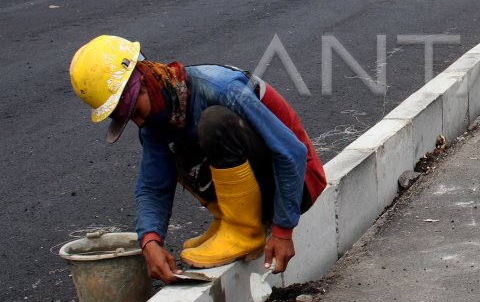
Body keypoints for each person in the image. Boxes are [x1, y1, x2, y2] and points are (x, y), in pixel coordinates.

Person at [69, 36, 327, 283]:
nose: (139, 122)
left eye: (135, 111)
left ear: (146, 83)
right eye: (128, 119)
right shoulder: (161, 113)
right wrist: (149, 240)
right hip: (264, 187)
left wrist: (283, 231)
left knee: (215, 122)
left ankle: (244, 230)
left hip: (300, 184)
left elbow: (291, 152)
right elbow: (153, 185)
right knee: (165, 140)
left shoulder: (220, 88)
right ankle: (229, 221)